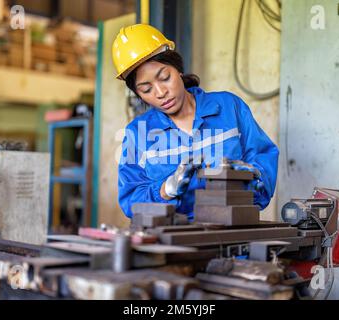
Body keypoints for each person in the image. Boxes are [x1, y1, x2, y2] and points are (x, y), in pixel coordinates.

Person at [112, 24, 279, 220]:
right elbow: (131, 200)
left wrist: (252, 178)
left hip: (235, 235)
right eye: (146, 89)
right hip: (173, 241)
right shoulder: (137, 133)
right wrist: (166, 189)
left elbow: (264, 158)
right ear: (138, 94)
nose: (160, 93)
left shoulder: (228, 107)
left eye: (165, 77)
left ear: (178, 69)